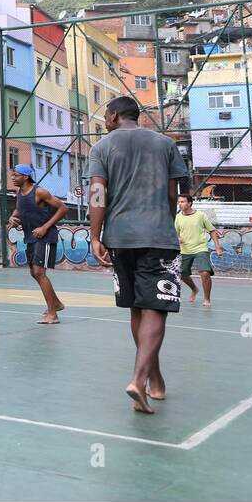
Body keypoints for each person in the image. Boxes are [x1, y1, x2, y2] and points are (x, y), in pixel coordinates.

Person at [87, 95, 189, 414]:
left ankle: (154, 380)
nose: (105, 119)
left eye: (106, 114)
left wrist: (94, 235)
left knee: (136, 309)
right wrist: (166, 219)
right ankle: (140, 379)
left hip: (120, 238)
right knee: (155, 309)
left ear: (116, 116)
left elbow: (98, 192)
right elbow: (174, 192)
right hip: (158, 237)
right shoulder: (164, 144)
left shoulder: (102, 147)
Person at [8, 164, 67, 324]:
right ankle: (56, 303)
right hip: (30, 237)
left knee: (39, 272)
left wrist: (45, 227)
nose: (13, 178)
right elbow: (19, 209)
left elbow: (63, 208)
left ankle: (53, 314)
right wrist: (13, 217)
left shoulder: (39, 192)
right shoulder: (19, 192)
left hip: (46, 237)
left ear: (26, 177)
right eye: (12, 175)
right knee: (34, 273)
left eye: (16, 175)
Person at [174, 195, 223, 307]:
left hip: (201, 248)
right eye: (179, 202)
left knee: (205, 273)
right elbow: (175, 233)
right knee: (182, 273)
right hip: (185, 250)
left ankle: (207, 299)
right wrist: (177, 239)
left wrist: (217, 246)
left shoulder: (200, 216)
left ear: (190, 203)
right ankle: (194, 289)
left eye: (182, 202)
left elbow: (212, 231)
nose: (180, 204)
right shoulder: (178, 217)